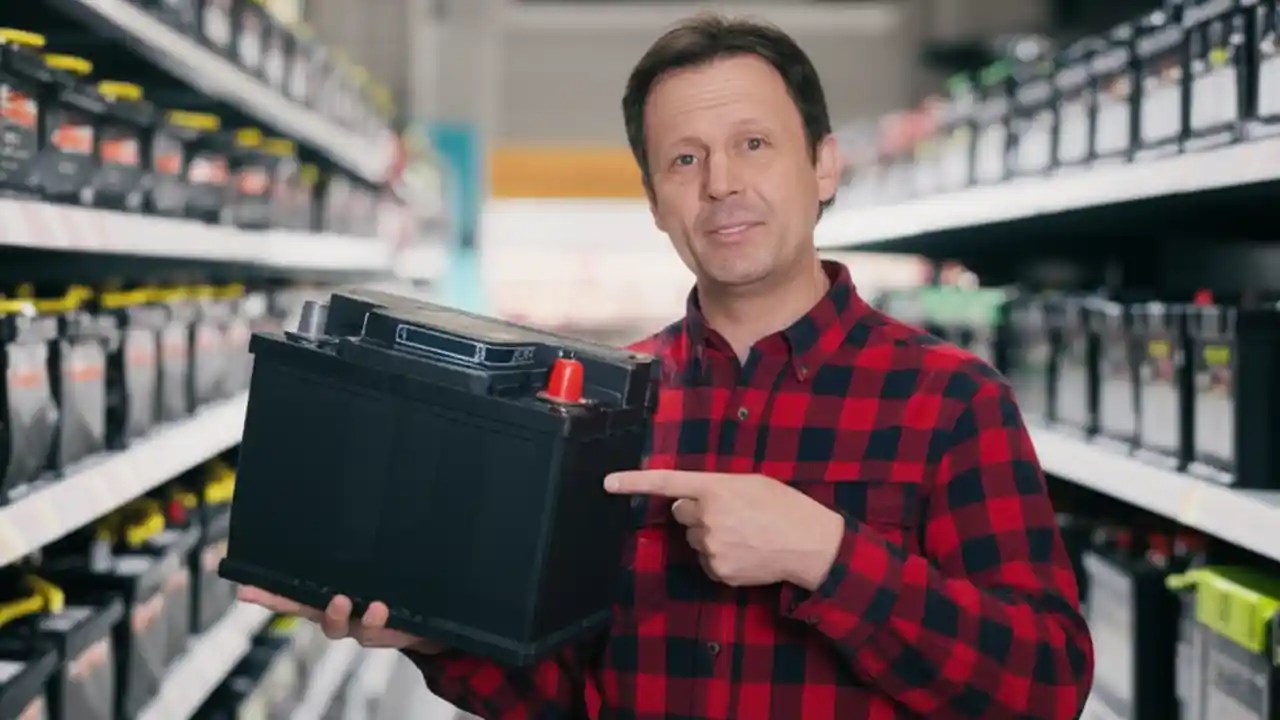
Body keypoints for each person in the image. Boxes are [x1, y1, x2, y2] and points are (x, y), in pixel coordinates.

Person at [240, 13, 1095, 719]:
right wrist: (433, 637)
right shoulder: (610, 407)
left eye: (754, 143)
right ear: (655, 199)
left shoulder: (950, 402)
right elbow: (571, 690)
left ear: (824, 164)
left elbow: (1046, 684)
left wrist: (826, 555)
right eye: (685, 158)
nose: (721, 182)